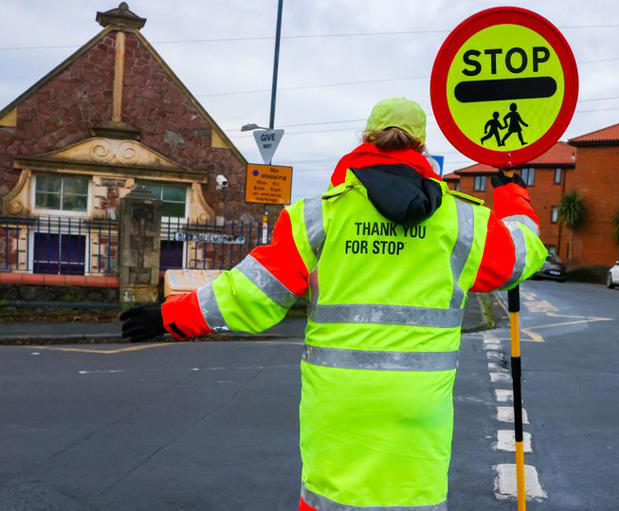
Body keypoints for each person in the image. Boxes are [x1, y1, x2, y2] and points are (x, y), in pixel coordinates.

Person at [120, 97, 547, 511]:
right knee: (411, 499)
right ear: (421, 147)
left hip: (337, 407)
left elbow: (251, 290)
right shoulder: (460, 222)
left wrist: (167, 315)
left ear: (366, 138)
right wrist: (511, 195)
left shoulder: (317, 218)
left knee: (330, 501)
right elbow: (521, 254)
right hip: (418, 410)